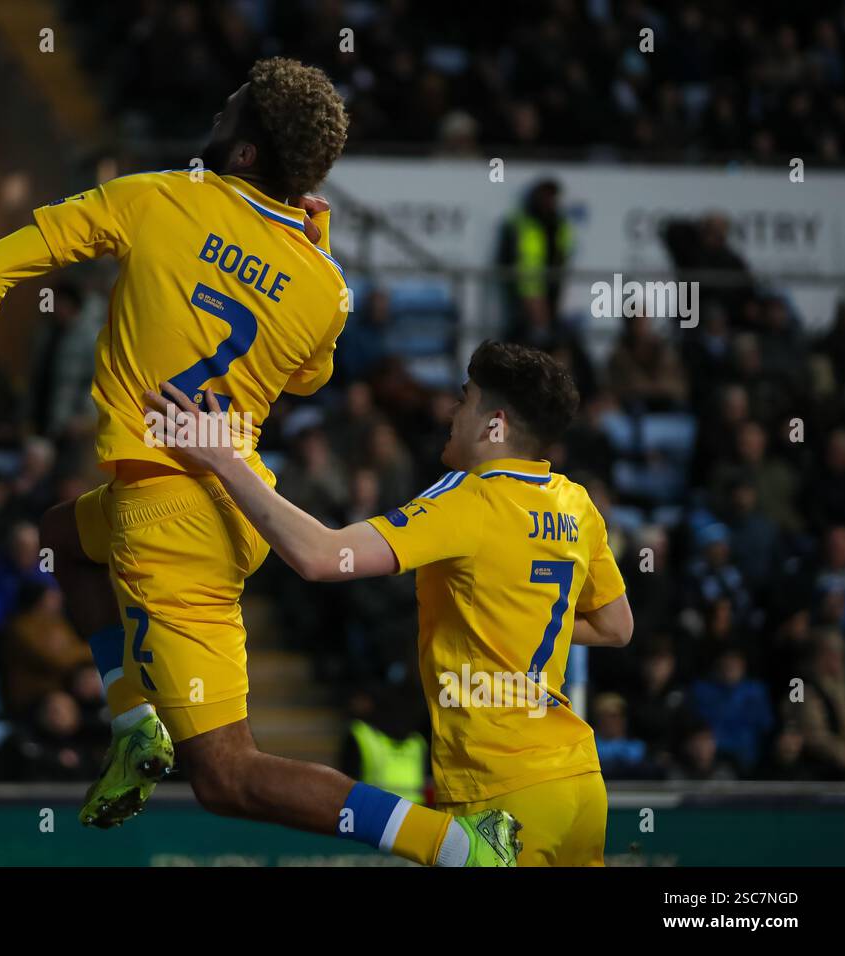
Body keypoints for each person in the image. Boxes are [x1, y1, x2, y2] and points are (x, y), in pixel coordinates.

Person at [0, 58, 519, 865]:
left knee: (229, 777)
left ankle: (455, 846)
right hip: (236, 501)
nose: (217, 109)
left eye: (230, 107)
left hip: (166, 518)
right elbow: (312, 373)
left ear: (242, 154)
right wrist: (313, 248)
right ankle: (135, 726)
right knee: (62, 535)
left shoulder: (156, 198)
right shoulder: (325, 284)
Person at [147, 341, 633, 865]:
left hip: (501, 792)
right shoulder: (575, 503)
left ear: (495, 424)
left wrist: (224, 458)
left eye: (465, 400)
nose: (452, 411)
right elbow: (615, 627)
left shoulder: (468, 500)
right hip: (579, 783)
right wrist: (515, 612)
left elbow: (320, 556)